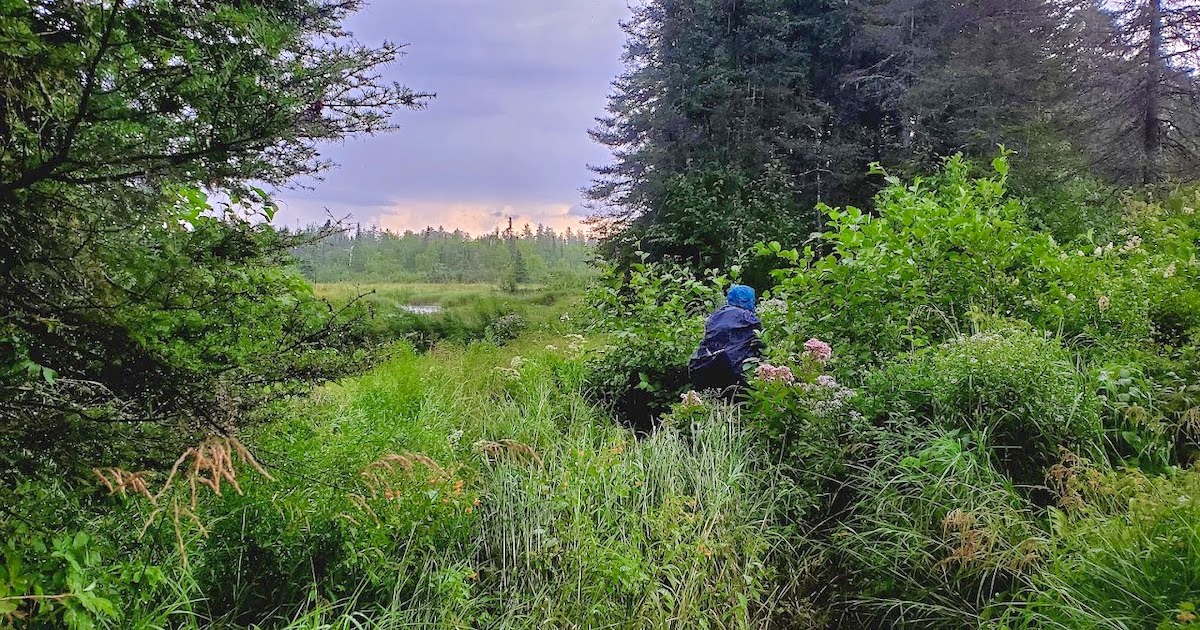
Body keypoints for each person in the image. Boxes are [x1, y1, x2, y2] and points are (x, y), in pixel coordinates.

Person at [688, 284, 762, 394]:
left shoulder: (715, 316)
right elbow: (760, 343)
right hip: (735, 372)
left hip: (706, 367)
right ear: (749, 300)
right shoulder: (750, 318)